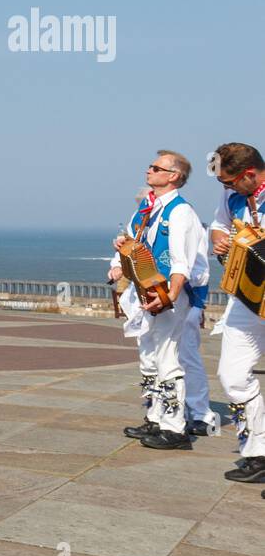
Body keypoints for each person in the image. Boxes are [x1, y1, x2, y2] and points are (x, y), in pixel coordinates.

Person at [109, 151, 213, 450]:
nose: (148, 171)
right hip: (145, 290)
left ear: (173, 176)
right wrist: (118, 256)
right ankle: (155, 417)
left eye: (156, 168)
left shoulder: (181, 212)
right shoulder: (146, 207)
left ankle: (174, 427)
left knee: (169, 357)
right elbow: (130, 240)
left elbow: (183, 261)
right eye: (150, 166)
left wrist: (170, 296)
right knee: (149, 357)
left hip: (166, 293)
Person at [207, 142, 265, 485]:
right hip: (245, 296)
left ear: (249, 175)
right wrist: (219, 241)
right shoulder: (232, 197)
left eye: (229, 183)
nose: (225, 189)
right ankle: (257, 452)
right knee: (232, 376)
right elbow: (218, 225)